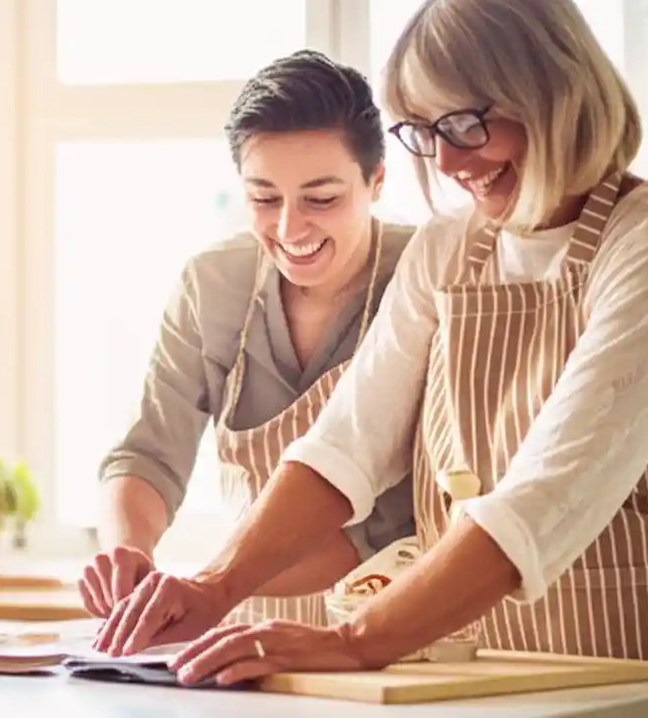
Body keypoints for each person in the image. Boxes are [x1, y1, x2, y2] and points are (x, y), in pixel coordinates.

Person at [93, 0, 648, 714]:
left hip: (637, 674)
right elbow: (345, 446)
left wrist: (355, 640)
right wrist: (213, 586)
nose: (446, 160)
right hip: (470, 673)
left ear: (555, 92)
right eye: (426, 132)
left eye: (467, 124)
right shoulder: (450, 248)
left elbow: (547, 496)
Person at [77, 49, 417, 627]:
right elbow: (150, 453)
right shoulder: (214, 285)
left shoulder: (423, 277)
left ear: (376, 180)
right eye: (263, 198)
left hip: (391, 621)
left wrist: (210, 586)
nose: (289, 229)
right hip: (239, 619)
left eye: (322, 199)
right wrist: (127, 555)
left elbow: (388, 521)